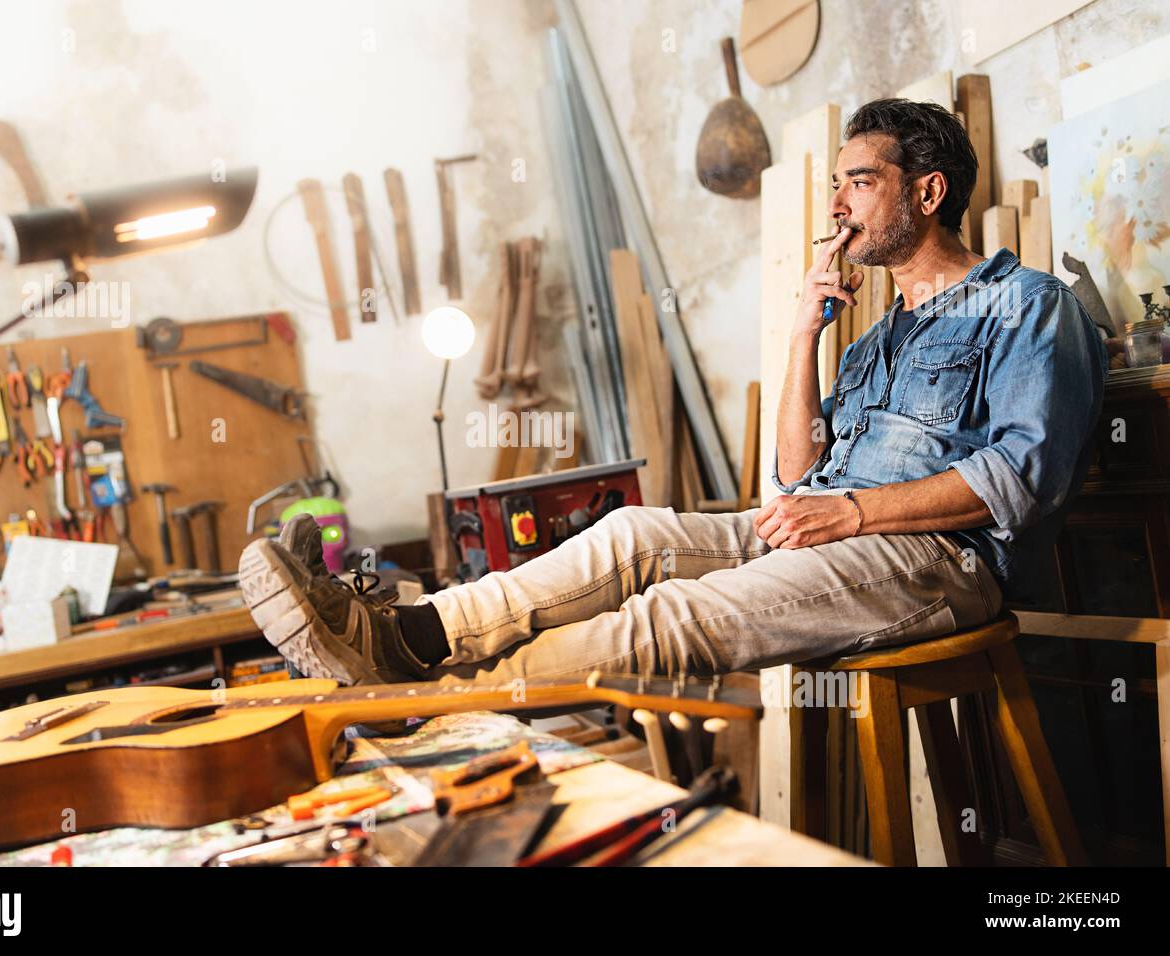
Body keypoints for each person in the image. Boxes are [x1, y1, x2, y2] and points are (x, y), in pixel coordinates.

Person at [239, 98, 1107, 689]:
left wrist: (851, 514)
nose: (836, 200)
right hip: (832, 535)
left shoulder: (1028, 305)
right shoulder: (878, 336)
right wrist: (806, 332)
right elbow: (799, 473)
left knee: (669, 616)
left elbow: (1022, 483)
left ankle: (436, 698)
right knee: (631, 534)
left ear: (928, 191)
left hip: (942, 564)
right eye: (836, 179)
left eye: (860, 181)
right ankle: (404, 638)